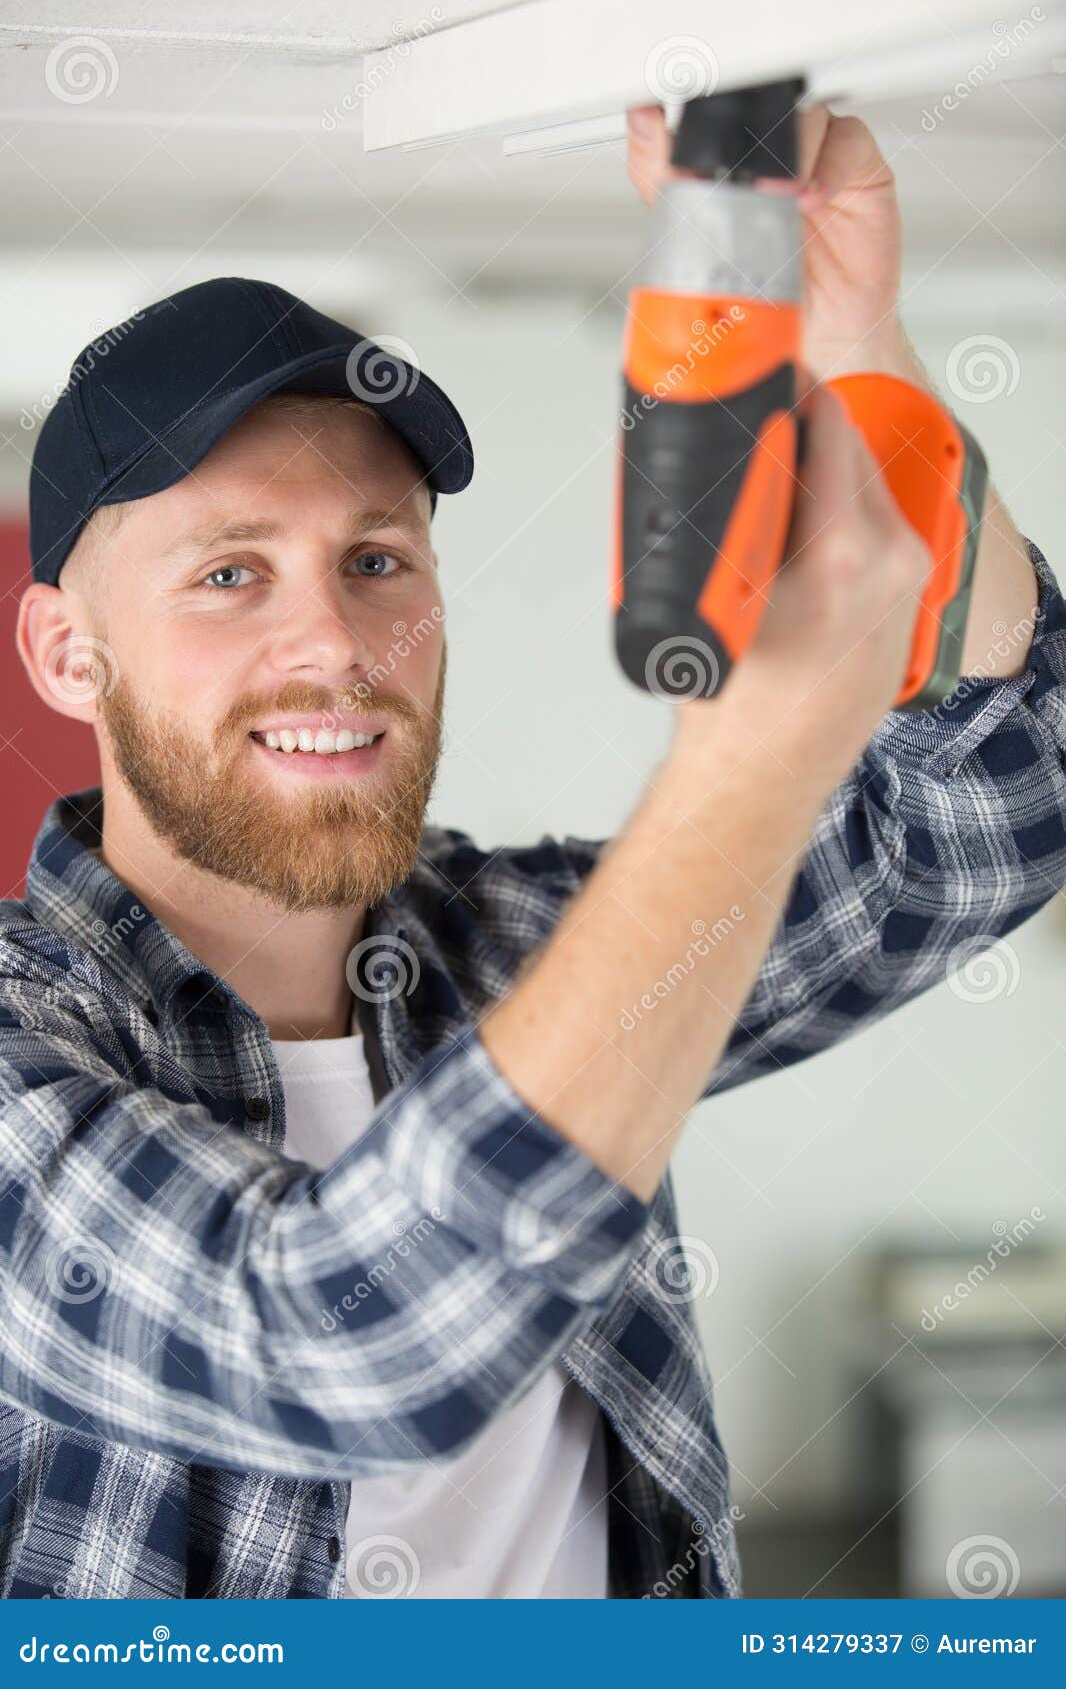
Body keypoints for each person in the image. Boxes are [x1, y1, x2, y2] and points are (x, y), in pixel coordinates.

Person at [1, 107, 1062, 1600]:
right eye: (230, 573)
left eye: (377, 561)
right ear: (65, 652)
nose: (333, 643)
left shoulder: (521, 947)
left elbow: (986, 820)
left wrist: (858, 349)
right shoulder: (20, 1046)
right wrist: (749, 762)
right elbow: (342, 1343)